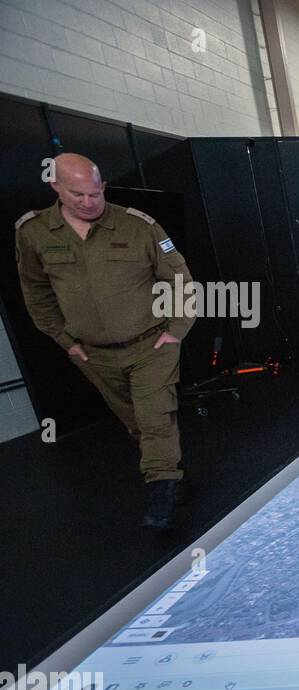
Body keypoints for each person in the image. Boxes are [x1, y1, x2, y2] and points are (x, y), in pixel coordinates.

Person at [16, 153, 194, 530]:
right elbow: (36, 293)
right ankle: (170, 472)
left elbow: (181, 280)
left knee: (155, 417)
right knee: (135, 423)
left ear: (103, 187)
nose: (88, 202)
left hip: (152, 344)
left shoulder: (138, 227)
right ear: (57, 188)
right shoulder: (33, 233)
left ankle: (160, 493)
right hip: (92, 353)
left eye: (95, 193)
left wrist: (175, 330)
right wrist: (66, 340)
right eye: (78, 194)